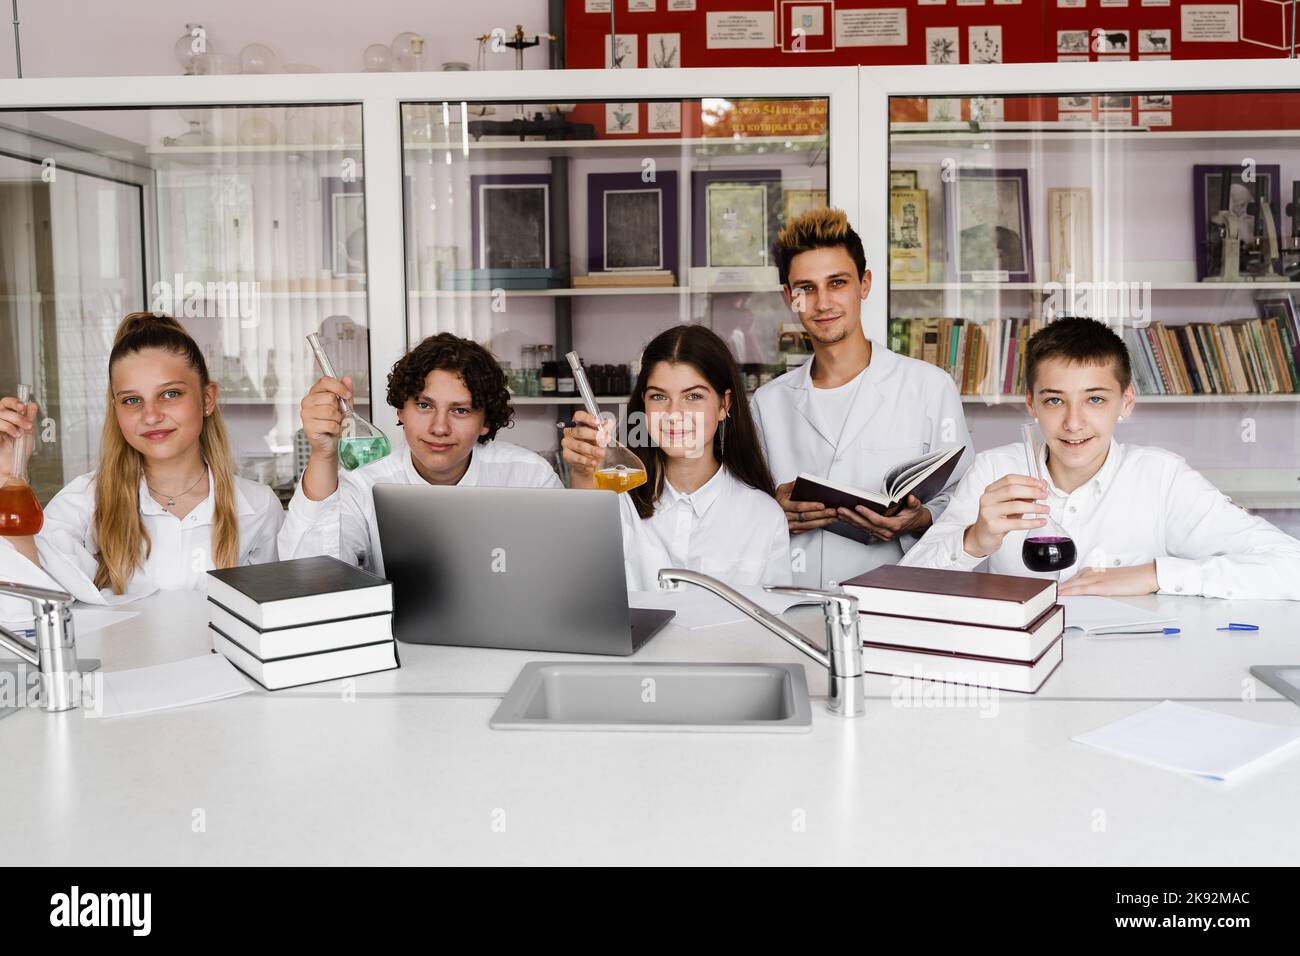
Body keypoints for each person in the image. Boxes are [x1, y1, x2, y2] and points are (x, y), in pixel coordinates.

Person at [901, 317, 1300, 600]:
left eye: (1095, 399)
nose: (1074, 423)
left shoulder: (1161, 478)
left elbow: (1291, 568)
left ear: (1126, 402)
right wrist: (975, 541)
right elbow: (904, 587)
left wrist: (1153, 575)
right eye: (1055, 400)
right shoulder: (994, 471)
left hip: (1127, 678)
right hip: (1020, 674)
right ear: (1031, 404)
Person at [0, 312, 284, 611]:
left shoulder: (257, 507)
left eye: (170, 394)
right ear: (116, 409)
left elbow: (279, 614)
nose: (151, 415)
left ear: (208, 398)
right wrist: (9, 477)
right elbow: (28, 598)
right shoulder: (84, 502)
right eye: (132, 400)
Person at [751, 207, 971, 588]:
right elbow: (741, 509)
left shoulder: (930, 387)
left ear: (864, 284)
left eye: (837, 283)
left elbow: (963, 502)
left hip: (895, 602)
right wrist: (770, 509)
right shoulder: (768, 404)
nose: (822, 303)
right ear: (790, 297)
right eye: (806, 288)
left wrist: (918, 519)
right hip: (791, 599)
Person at [279, 332, 560, 575]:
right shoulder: (366, 481)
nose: (439, 428)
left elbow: (564, 575)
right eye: (425, 406)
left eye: (460, 410)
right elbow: (313, 578)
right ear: (401, 409)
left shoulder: (528, 476)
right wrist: (323, 454)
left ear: (485, 421)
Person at [561, 325, 791, 592]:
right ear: (644, 405)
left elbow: (773, 621)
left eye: (693, 396)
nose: (673, 413)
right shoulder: (619, 501)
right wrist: (583, 474)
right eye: (659, 397)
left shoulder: (763, 516)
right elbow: (581, 587)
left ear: (724, 405)